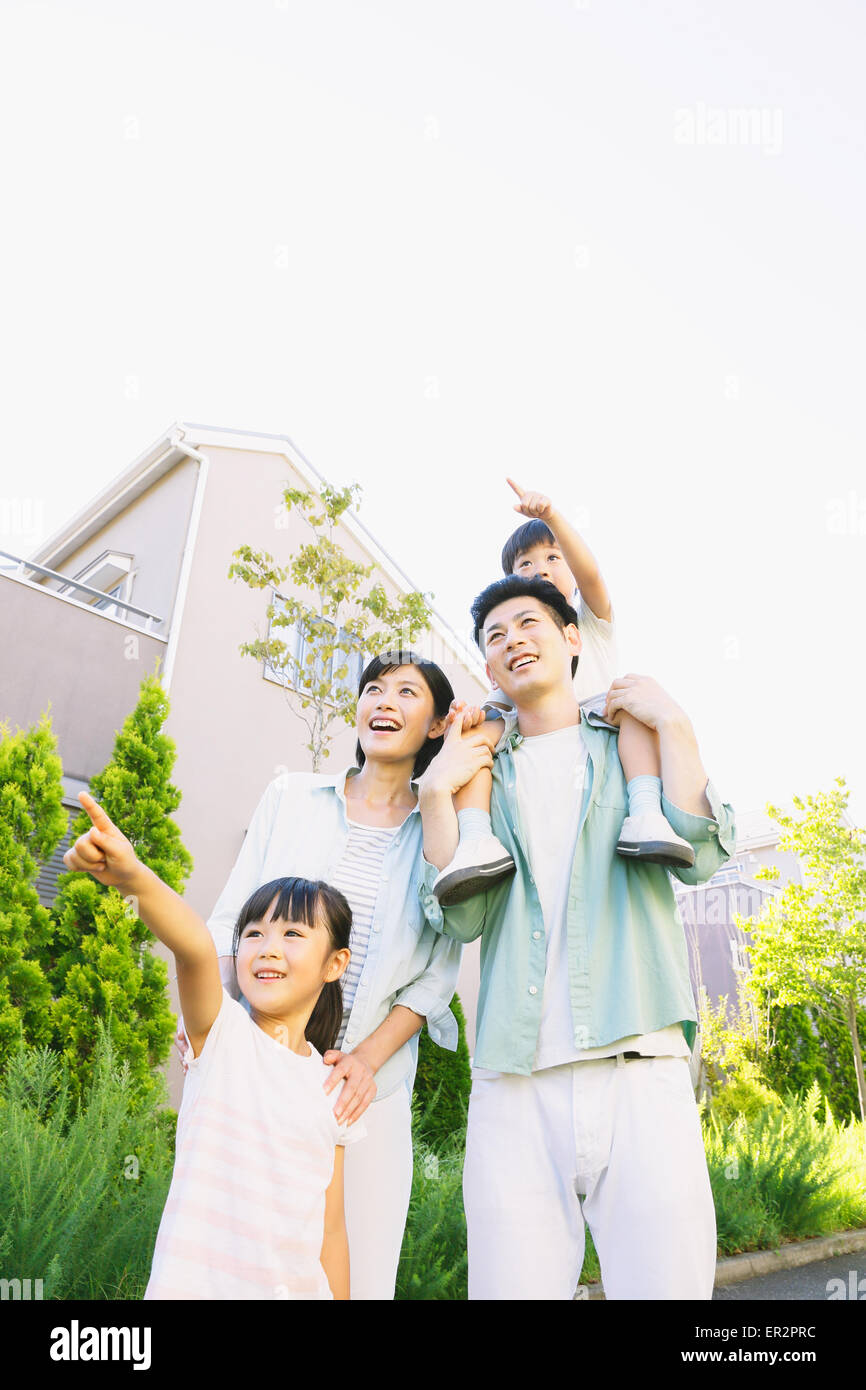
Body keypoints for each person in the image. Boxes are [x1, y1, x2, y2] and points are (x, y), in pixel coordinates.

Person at [417, 575, 736, 1300]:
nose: (510, 641)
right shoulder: (479, 770)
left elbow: (704, 856)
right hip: (514, 1079)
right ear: (490, 670)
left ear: (570, 639)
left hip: (639, 1063)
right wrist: (437, 793)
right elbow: (461, 917)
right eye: (493, 638)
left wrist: (677, 724)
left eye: (526, 623)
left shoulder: (632, 745)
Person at [180, 651, 466, 1300]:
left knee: (356, 1278)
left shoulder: (438, 830)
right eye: (372, 689)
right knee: (231, 1271)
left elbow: (435, 976)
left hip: (367, 1091)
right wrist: (214, 1035)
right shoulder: (291, 797)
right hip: (258, 1079)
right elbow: (230, 925)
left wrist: (363, 1062)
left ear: (435, 726)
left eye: (406, 692)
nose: (383, 701)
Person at [63, 791, 361, 1300]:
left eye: (292, 933)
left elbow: (331, 1228)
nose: (267, 947)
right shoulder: (220, 1035)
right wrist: (134, 877)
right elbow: (195, 948)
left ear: (335, 964)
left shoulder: (332, 1086)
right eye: (252, 933)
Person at [432, 478, 695, 906]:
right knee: (477, 740)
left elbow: (591, 574)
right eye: (526, 565)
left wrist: (550, 516)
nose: (541, 569)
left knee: (632, 704)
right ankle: (476, 839)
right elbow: (492, 711)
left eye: (554, 557)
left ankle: (645, 811)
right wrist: (468, 720)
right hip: (532, 725)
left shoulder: (589, 621)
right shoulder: (516, 642)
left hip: (603, 717)